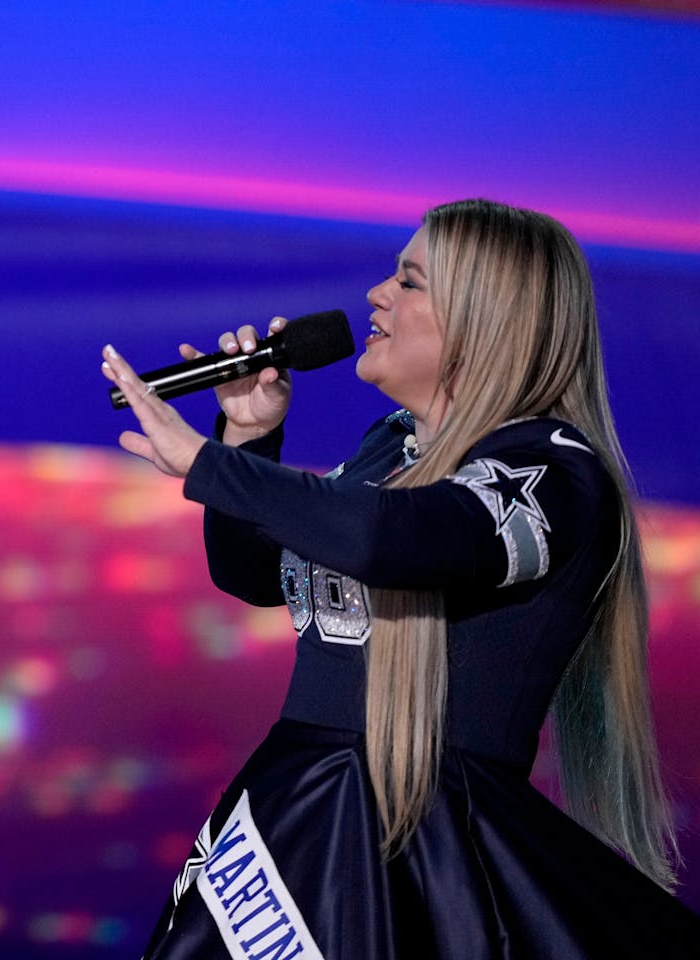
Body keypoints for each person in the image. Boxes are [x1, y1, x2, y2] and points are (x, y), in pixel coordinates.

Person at [102, 198, 700, 957]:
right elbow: (256, 573)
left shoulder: (554, 473)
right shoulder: (390, 449)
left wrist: (206, 464)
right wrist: (249, 440)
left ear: (487, 320)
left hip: (419, 853)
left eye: (410, 282)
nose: (377, 296)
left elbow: (389, 541)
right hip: (298, 812)